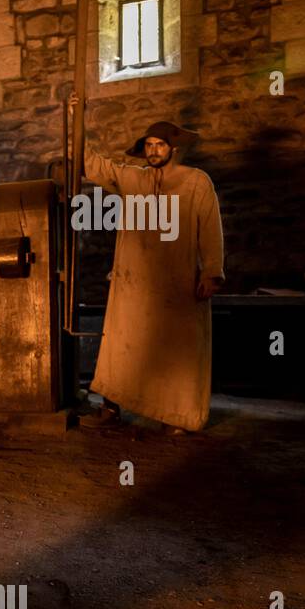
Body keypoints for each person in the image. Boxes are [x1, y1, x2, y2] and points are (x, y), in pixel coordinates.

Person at [72, 100, 225, 432]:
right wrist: (76, 118)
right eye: (150, 145)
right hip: (135, 282)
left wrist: (212, 271)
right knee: (124, 341)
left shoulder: (196, 182)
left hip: (177, 279)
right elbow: (91, 164)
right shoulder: (132, 180)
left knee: (177, 347)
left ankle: (178, 416)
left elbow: (210, 227)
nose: (154, 150)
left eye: (160, 145)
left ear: (173, 148)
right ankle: (112, 407)